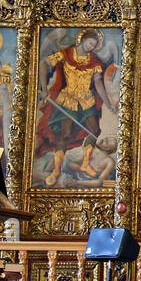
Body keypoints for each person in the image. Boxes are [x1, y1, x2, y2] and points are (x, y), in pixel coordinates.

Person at [35, 29, 113, 186]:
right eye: (90, 43)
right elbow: (43, 64)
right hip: (68, 99)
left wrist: (109, 103)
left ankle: (85, 163)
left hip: (87, 101)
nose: (91, 47)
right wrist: (44, 89)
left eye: (94, 45)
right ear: (82, 41)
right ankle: (56, 170)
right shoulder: (66, 54)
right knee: (65, 135)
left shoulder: (94, 62)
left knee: (95, 131)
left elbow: (98, 84)